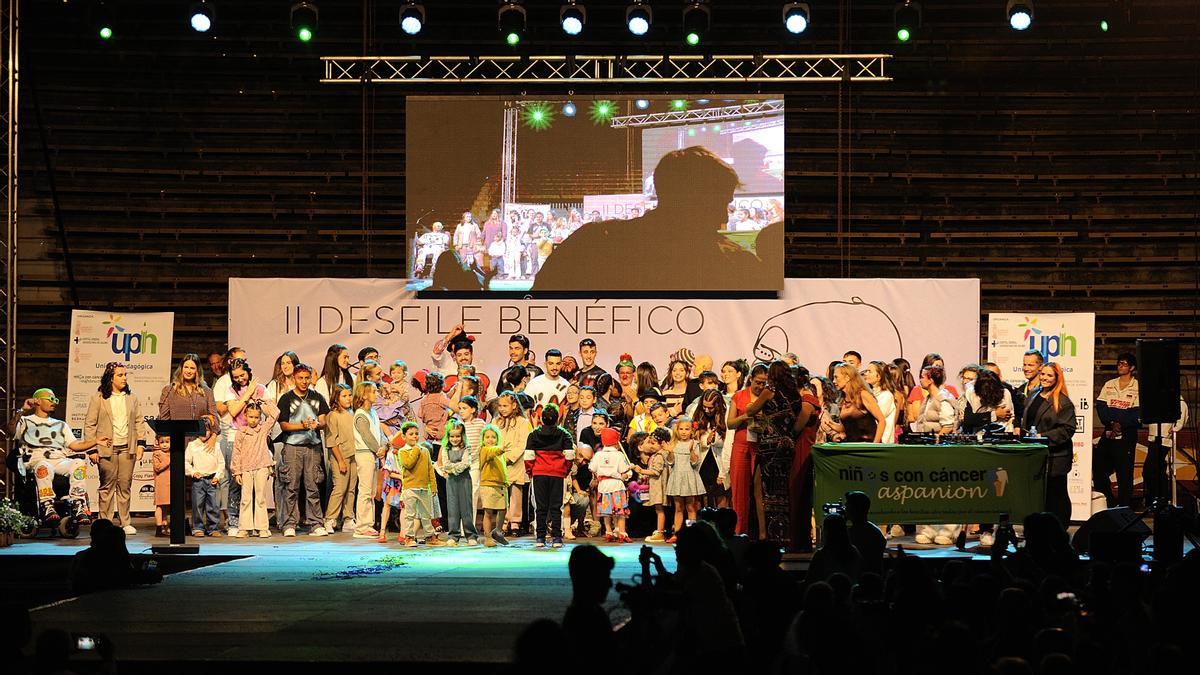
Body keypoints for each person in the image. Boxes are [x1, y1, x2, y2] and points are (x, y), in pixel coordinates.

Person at [533, 146, 773, 291]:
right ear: (693, 201)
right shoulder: (734, 264)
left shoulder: (594, 242)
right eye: (720, 204)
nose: (723, 217)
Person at [9, 388, 107, 525]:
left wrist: (95, 441)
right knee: (45, 466)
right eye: (50, 399)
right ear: (37, 401)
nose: (54, 402)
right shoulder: (25, 421)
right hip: (37, 460)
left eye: (56, 399)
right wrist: (22, 410)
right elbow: (10, 431)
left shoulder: (61, 425)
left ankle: (78, 505)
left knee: (78, 463)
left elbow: (75, 445)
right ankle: (47, 505)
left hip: (58, 459)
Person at [85, 362, 151, 535]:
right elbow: (90, 425)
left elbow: (139, 421)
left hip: (126, 448)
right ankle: (105, 522)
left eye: (125, 375)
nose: (124, 378)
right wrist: (92, 449)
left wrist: (141, 444)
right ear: (111, 378)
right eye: (120, 375)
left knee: (125, 486)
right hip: (107, 448)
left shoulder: (131, 398)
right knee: (106, 487)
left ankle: (125, 521)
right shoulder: (98, 398)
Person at [276, 363, 330, 537]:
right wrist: (302, 425)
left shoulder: (318, 397)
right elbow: (283, 425)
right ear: (294, 378)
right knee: (291, 486)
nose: (304, 381)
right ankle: (289, 524)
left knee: (313, 485)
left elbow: (323, 421)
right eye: (300, 378)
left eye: (307, 378)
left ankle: (316, 523)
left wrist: (317, 424)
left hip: (313, 447)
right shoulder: (286, 398)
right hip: (292, 446)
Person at [1021, 362, 1077, 526]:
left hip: (1056, 457)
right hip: (1035, 454)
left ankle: (1061, 528)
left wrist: (1041, 436)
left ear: (1057, 378)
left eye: (1049, 375)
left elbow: (1067, 430)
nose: (1045, 378)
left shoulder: (1063, 402)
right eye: (1043, 374)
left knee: (1056, 495)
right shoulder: (1033, 394)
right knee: (1039, 495)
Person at [214, 357, 265, 536]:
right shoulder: (230, 391)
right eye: (235, 377)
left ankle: (254, 523)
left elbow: (267, 412)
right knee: (236, 482)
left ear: (248, 372)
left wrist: (254, 392)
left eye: (242, 375)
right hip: (236, 438)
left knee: (255, 484)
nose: (240, 379)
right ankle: (234, 521)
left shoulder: (261, 389)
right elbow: (234, 411)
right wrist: (247, 393)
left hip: (256, 440)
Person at [727, 363, 769, 536]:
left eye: (763, 383)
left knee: (760, 491)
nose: (760, 386)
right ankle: (739, 531)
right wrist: (746, 416)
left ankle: (762, 533)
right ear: (750, 379)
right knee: (739, 490)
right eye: (758, 382)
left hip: (760, 445)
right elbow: (730, 423)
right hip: (741, 444)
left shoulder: (768, 397)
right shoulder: (739, 396)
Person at [1094, 352, 1141, 507]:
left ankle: (1123, 507)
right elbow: (1101, 406)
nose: (1121, 366)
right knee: (1099, 467)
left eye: (1125, 364)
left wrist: (1120, 423)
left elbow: (1137, 412)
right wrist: (1111, 422)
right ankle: (1108, 500)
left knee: (1124, 473)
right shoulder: (1109, 384)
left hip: (1127, 435)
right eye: (1119, 363)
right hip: (1108, 432)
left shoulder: (1138, 387)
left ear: (1132, 367)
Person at [526, 403, 574, 548]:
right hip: (558, 474)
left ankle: (540, 538)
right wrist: (564, 470)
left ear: (541, 418)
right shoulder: (565, 434)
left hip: (539, 474)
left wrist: (531, 472)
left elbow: (528, 457)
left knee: (540, 507)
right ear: (557, 418)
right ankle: (557, 539)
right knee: (556, 507)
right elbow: (570, 456)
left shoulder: (533, 434)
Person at [230, 399, 279, 538]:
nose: (253, 420)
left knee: (260, 498)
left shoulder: (263, 430)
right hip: (245, 469)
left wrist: (264, 403)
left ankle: (262, 527)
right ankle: (245, 528)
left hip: (261, 467)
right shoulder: (241, 432)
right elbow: (236, 452)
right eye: (250, 416)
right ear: (245, 416)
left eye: (256, 417)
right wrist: (237, 471)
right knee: (246, 498)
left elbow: (275, 413)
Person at [396, 427, 446, 547]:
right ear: (404, 436)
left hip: (424, 488)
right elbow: (408, 464)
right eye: (411, 434)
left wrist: (433, 486)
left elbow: (430, 469)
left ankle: (430, 537)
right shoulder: (403, 451)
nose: (414, 436)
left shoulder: (425, 451)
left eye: (416, 434)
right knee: (410, 515)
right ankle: (409, 537)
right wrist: (415, 450)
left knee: (427, 514)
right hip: (410, 488)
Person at [562, 545, 617, 652]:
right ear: (591, 580)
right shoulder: (587, 621)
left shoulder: (582, 615)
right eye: (605, 577)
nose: (610, 583)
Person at [352, 380, 388, 539]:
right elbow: (366, 435)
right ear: (364, 395)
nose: (376, 394)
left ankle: (369, 523)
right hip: (365, 453)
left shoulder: (372, 412)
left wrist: (383, 445)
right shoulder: (360, 414)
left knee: (372, 491)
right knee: (365, 490)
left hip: (373, 453)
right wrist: (377, 449)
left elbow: (378, 432)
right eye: (373, 391)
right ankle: (361, 527)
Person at [495, 390, 533, 537]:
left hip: (516, 461)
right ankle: (504, 522)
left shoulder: (523, 423)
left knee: (516, 493)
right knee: (502, 494)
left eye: (505, 405)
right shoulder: (496, 422)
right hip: (499, 461)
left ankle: (515, 522)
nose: (502, 408)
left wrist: (509, 457)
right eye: (500, 405)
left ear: (514, 405)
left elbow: (523, 443)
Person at [436, 419, 479, 546]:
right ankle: (453, 535)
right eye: (452, 436)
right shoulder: (445, 448)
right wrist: (452, 469)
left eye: (458, 436)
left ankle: (471, 535)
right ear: (448, 436)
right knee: (453, 508)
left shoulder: (466, 447)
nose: (455, 439)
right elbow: (445, 464)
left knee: (466, 508)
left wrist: (454, 469)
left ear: (462, 436)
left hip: (464, 480)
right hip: (451, 481)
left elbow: (466, 463)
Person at [322, 383, 357, 535]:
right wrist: (340, 460)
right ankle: (330, 519)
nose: (348, 398)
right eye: (344, 396)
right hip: (340, 456)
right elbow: (331, 441)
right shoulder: (333, 416)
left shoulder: (352, 413)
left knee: (351, 488)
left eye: (349, 395)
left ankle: (348, 518)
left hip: (353, 454)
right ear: (337, 398)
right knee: (340, 488)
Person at [665, 417, 705, 543]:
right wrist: (670, 452)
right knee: (678, 507)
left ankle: (690, 533)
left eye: (687, 429)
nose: (683, 432)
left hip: (689, 477)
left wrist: (691, 450)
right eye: (681, 429)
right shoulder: (673, 444)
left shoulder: (695, 443)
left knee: (691, 507)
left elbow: (695, 463)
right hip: (677, 477)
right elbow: (670, 463)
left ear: (692, 430)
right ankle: (676, 533)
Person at [590, 427, 632, 542]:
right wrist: (629, 469)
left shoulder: (598, 455)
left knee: (606, 511)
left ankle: (608, 532)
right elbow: (623, 469)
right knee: (620, 512)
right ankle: (622, 533)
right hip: (616, 485)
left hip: (603, 486)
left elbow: (592, 468)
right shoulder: (619, 455)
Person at [185, 416, 225, 537]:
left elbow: (221, 463)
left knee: (213, 505)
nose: (203, 433)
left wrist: (217, 476)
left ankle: (212, 528)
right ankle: (198, 528)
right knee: (197, 505)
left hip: (212, 480)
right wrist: (192, 472)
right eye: (200, 430)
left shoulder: (216, 446)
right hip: (198, 481)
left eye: (206, 430)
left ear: (211, 432)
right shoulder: (192, 445)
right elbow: (186, 462)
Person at [1144, 396, 1188, 505]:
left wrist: (1175, 428)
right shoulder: (1156, 396)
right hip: (1154, 437)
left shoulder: (1176, 397)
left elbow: (1183, 411)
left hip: (1164, 438)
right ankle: (1160, 498)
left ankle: (1158, 498)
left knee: (1150, 470)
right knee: (1157, 470)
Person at [830, 362, 887, 443]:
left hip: (867, 447)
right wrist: (831, 425)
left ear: (847, 377)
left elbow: (882, 421)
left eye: (836, 377)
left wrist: (875, 445)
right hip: (851, 447)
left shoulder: (863, 395)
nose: (834, 381)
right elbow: (850, 427)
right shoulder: (842, 400)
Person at [637, 428, 671, 543]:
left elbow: (656, 471)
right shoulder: (656, 455)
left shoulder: (660, 455)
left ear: (662, 443)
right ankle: (659, 530)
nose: (651, 445)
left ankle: (660, 532)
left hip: (659, 487)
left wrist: (641, 471)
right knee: (658, 509)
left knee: (659, 510)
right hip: (656, 485)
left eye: (654, 443)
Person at [478, 424, 509, 547]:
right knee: (488, 512)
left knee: (503, 509)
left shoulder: (499, 454)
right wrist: (500, 449)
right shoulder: (485, 450)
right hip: (488, 485)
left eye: (493, 437)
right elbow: (492, 452)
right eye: (487, 437)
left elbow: (502, 469)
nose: (490, 440)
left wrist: (505, 480)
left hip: (500, 485)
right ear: (483, 439)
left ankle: (498, 531)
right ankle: (487, 536)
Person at [844, 491, 886, 576]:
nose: (845, 509)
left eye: (847, 506)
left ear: (854, 509)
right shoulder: (875, 531)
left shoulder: (851, 534)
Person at [525, 349, 570, 426]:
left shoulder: (567, 386)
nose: (554, 367)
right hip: (537, 433)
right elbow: (525, 411)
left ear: (562, 364)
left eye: (558, 364)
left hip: (558, 434)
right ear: (545, 364)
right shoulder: (533, 384)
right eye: (551, 363)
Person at [863, 360, 901, 442]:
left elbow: (875, 419)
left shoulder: (886, 396)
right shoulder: (871, 393)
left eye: (869, 371)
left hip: (882, 441)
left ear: (879, 376)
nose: (866, 374)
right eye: (866, 371)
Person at [1011, 349, 1044, 430]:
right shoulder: (1020, 390)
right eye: (1024, 365)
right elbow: (1017, 415)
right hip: (1023, 438)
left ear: (1040, 367)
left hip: (1040, 437)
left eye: (1030, 365)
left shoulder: (1045, 390)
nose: (1026, 368)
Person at [151, 435, 172, 537]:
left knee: (168, 506)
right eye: (162, 442)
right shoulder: (157, 454)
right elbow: (157, 467)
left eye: (167, 442)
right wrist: (168, 461)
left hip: (171, 482)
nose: (164, 445)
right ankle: (159, 528)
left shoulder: (173, 453)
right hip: (161, 482)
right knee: (160, 505)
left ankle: (166, 526)